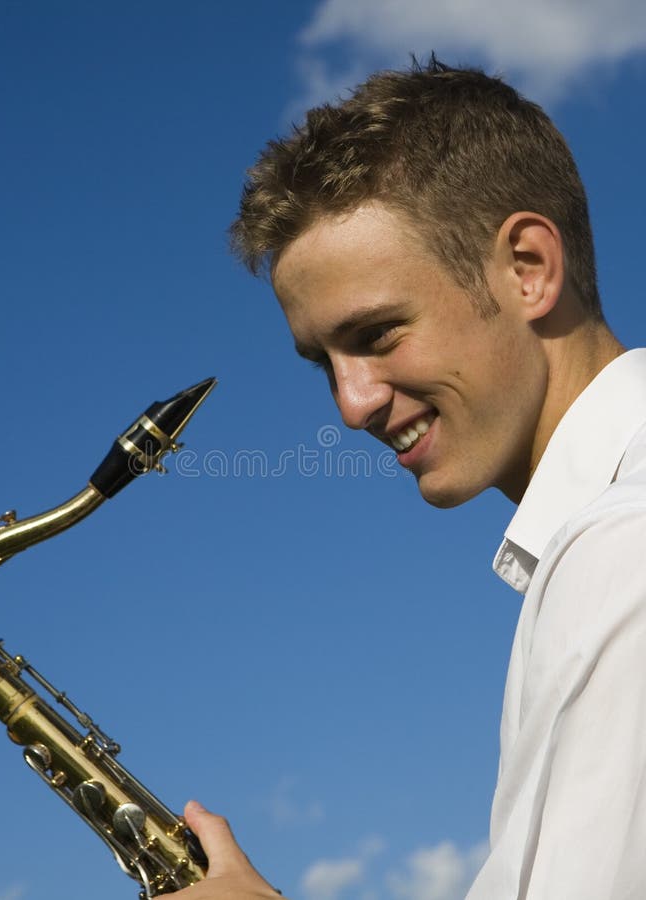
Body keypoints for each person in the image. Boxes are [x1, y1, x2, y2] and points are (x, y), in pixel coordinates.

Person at [176, 57, 646, 898]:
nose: (351, 405)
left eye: (380, 333)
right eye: (324, 361)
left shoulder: (622, 548)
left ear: (531, 266)